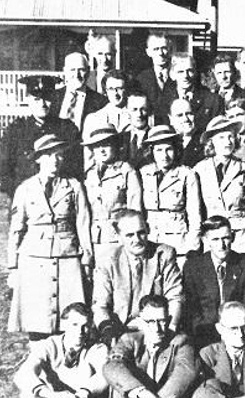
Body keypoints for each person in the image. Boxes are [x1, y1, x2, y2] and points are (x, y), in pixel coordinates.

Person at [7, 135, 93, 339]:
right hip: (34, 258)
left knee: (70, 315)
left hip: (68, 256)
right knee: (36, 315)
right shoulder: (25, 189)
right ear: (38, 159)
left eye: (59, 155)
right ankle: (39, 352)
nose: (55, 160)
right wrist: (13, 267)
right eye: (48, 155)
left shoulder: (74, 186)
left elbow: (83, 223)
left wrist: (86, 260)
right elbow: (16, 230)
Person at [93, 209, 183, 343]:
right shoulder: (107, 260)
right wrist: (108, 332)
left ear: (148, 229)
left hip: (158, 330)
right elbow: (100, 305)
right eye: (129, 235)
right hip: (120, 331)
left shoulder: (164, 254)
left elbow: (175, 297)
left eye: (141, 233)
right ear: (118, 236)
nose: (137, 240)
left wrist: (171, 328)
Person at [195, 115, 245, 262]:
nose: (227, 142)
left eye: (230, 136)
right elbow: (196, 212)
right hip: (212, 242)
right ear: (211, 142)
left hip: (240, 241)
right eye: (221, 137)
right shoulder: (199, 170)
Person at [183, 216, 245, 346]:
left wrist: (235, 331)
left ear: (233, 237)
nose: (221, 245)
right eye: (215, 239)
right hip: (205, 335)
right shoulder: (193, 267)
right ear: (205, 240)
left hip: (239, 332)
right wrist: (208, 333)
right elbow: (192, 311)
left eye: (226, 238)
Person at [0, 75, 83, 196]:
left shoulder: (67, 129)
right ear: (28, 100)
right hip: (27, 198)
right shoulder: (16, 131)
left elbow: (77, 167)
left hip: (60, 197)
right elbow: (3, 170)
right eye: (36, 99)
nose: (42, 104)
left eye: (47, 98)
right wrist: (19, 195)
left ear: (54, 98)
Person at [139, 124, 202, 266]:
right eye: (159, 150)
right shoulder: (143, 174)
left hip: (178, 243)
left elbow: (194, 215)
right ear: (151, 151)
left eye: (169, 149)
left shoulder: (187, 174)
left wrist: (192, 247)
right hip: (151, 241)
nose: (164, 155)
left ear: (176, 150)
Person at [82, 126, 143, 259]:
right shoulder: (89, 174)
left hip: (119, 238)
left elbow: (135, 209)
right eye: (97, 146)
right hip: (96, 240)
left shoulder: (126, 171)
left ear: (116, 146)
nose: (102, 150)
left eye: (106, 145)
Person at [155, 53, 224, 131]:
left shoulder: (213, 100)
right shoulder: (163, 101)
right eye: (180, 72)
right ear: (172, 75)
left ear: (195, 72)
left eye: (190, 71)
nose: (185, 76)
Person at [49, 52, 108, 136]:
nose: (76, 75)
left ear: (88, 71)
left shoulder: (100, 102)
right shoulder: (52, 97)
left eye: (81, 70)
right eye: (72, 70)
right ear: (65, 71)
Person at [212, 54, 245, 127]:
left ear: (234, 72)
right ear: (214, 74)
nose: (223, 77)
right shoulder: (210, 98)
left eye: (227, 72)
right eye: (219, 73)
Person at [83, 69, 130, 135]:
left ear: (126, 90)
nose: (115, 93)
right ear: (105, 91)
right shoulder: (94, 117)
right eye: (111, 89)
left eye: (119, 88)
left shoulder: (135, 115)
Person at [135, 32, 173, 110]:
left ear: (170, 50)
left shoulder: (180, 75)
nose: (160, 53)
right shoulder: (141, 79)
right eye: (156, 49)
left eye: (164, 48)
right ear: (148, 52)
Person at [168, 97, 207, 167]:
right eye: (180, 115)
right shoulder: (168, 144)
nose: (186, 119)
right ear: (171, 119)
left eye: (189, 114)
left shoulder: (204, 143)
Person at [119, 90, 153, 169]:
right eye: (134, 109)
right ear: (127, 111)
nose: (139, 114)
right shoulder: (119, 139)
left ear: (149, 111)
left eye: (143, 109)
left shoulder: (155, 138)